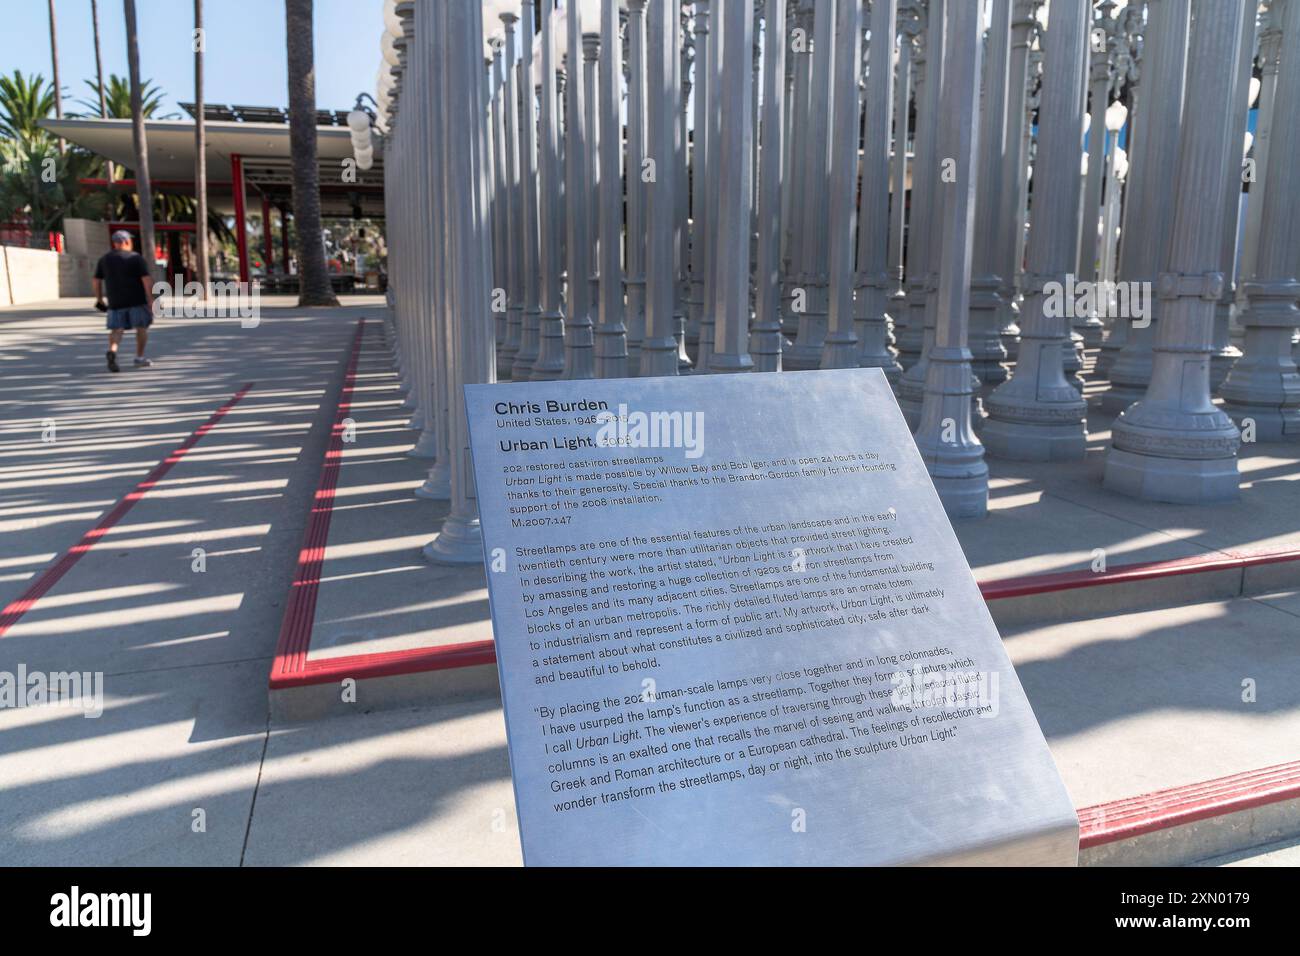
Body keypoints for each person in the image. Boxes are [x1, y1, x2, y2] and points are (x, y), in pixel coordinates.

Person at [93, 230, 155, 373]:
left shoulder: (104, 259)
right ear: (127, 242)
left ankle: (113, 351)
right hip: (137, 301)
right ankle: (139, 357)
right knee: (141, 328)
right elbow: (146, 280)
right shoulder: (135, 258)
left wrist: (99, 299)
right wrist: (151, 299)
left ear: (115, 243)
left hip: (115, 302)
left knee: (116, 330)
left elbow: (96, 281)